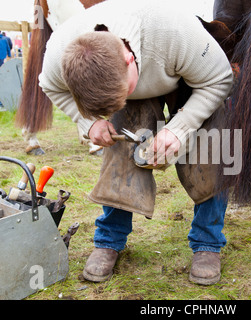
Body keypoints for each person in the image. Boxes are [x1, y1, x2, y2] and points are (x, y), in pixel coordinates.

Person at [39, 0, 233, 285]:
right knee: (122, 148)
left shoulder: (178, 33)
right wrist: (89, 123)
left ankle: (208, 243)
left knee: (213, 146)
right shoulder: (60, 51)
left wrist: (179, 129)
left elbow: (220, 79)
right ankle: (109, 240)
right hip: (138, 76)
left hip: (187, 73)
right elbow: (48, 84)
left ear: (129, 59)